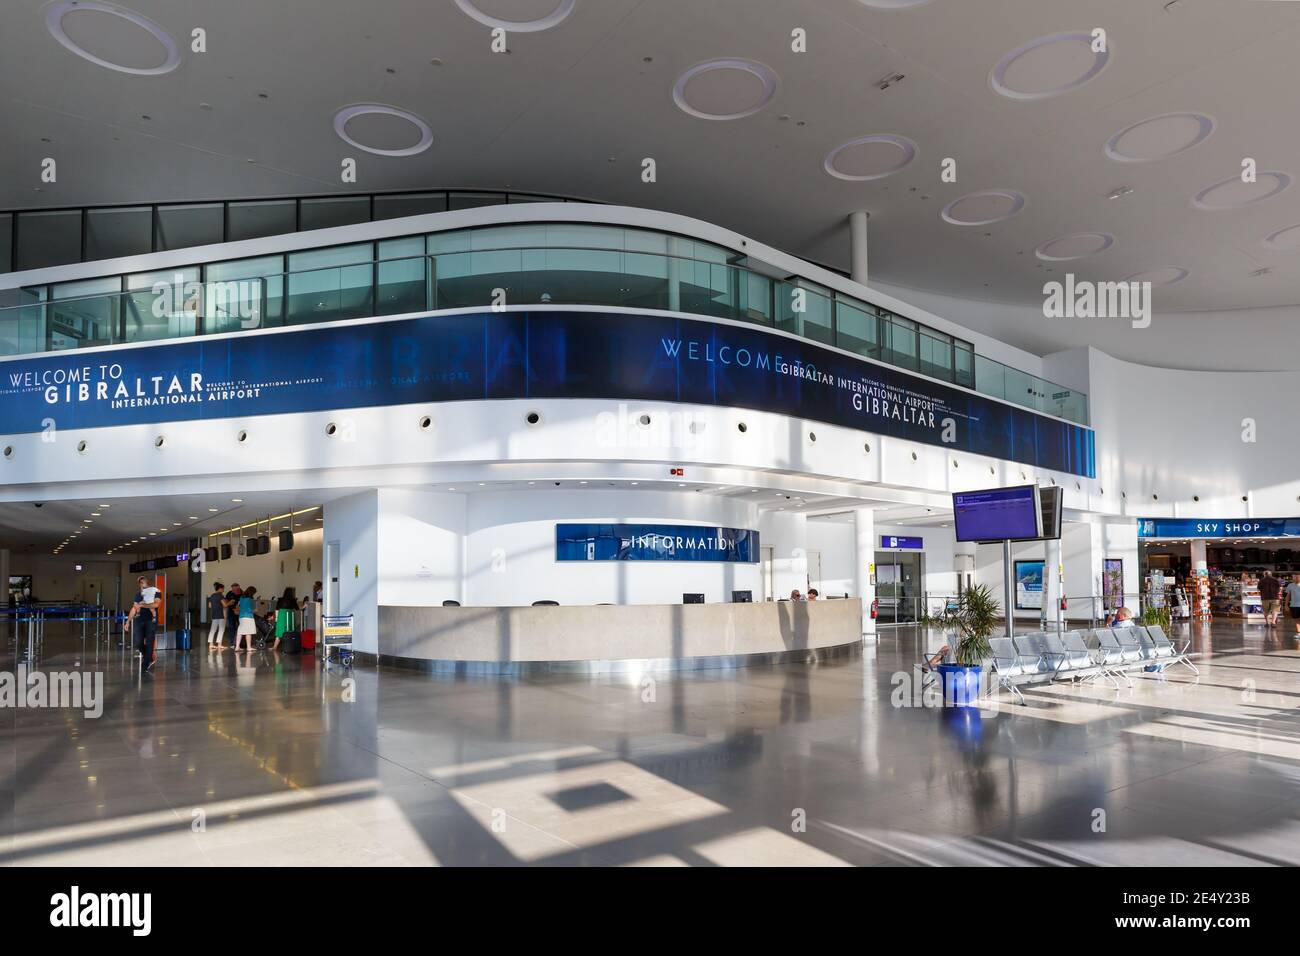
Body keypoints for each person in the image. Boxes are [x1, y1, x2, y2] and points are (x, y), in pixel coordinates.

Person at [125, 575, 162, 673]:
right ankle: (148, 657)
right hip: (139, 620)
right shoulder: (138, 595)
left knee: (150, 642)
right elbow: (134, 608)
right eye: (140, 582)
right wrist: (128, 621)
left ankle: (145, 664)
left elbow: (156, 604)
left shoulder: (156, 592)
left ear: (148, 582)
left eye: (143, 581)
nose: (142, 584)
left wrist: (142, 605)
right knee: (138, 642)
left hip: (151, 620)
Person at [234, 585, 258, 651]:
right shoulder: (249, 599)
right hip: (248, 617)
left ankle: (237, 647)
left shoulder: (241, 598)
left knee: (240, 632)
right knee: (248, 632)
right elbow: (249, 609)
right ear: (252, 592)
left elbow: (239, 606)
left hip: (241, 617)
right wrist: (254, 610)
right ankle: (249, 647)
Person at [207, 582, 227, 648]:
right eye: (223, 588)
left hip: (214, 614)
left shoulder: (212, 595)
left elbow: (209, 606)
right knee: (221, 629)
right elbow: (225, 605)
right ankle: (219, 644)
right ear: (220, 588)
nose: (223, 590)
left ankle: (211, 644)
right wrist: (230, 602)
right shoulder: (220, 595)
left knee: (213, 629)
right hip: (220, 614)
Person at [224, 583, 241, 649]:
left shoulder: (243, 593)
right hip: (231, 612)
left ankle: (240, 643)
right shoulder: (229, 593)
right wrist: (229, 602)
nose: (233, 591)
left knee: (240, 627)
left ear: (239, 587)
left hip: (239, 613)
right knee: (231, 627)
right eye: (232, 589)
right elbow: (225, 601)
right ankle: (232, 643)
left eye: (235, 589)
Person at [1286, 575, 1300, 639]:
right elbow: (1288, 596)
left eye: (1298, 577)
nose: (1297, 578)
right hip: (1294, 605)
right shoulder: (1290, 585)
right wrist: (1286, 605)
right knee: (1296, 619)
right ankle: (1299, 633)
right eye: (1295, 577)